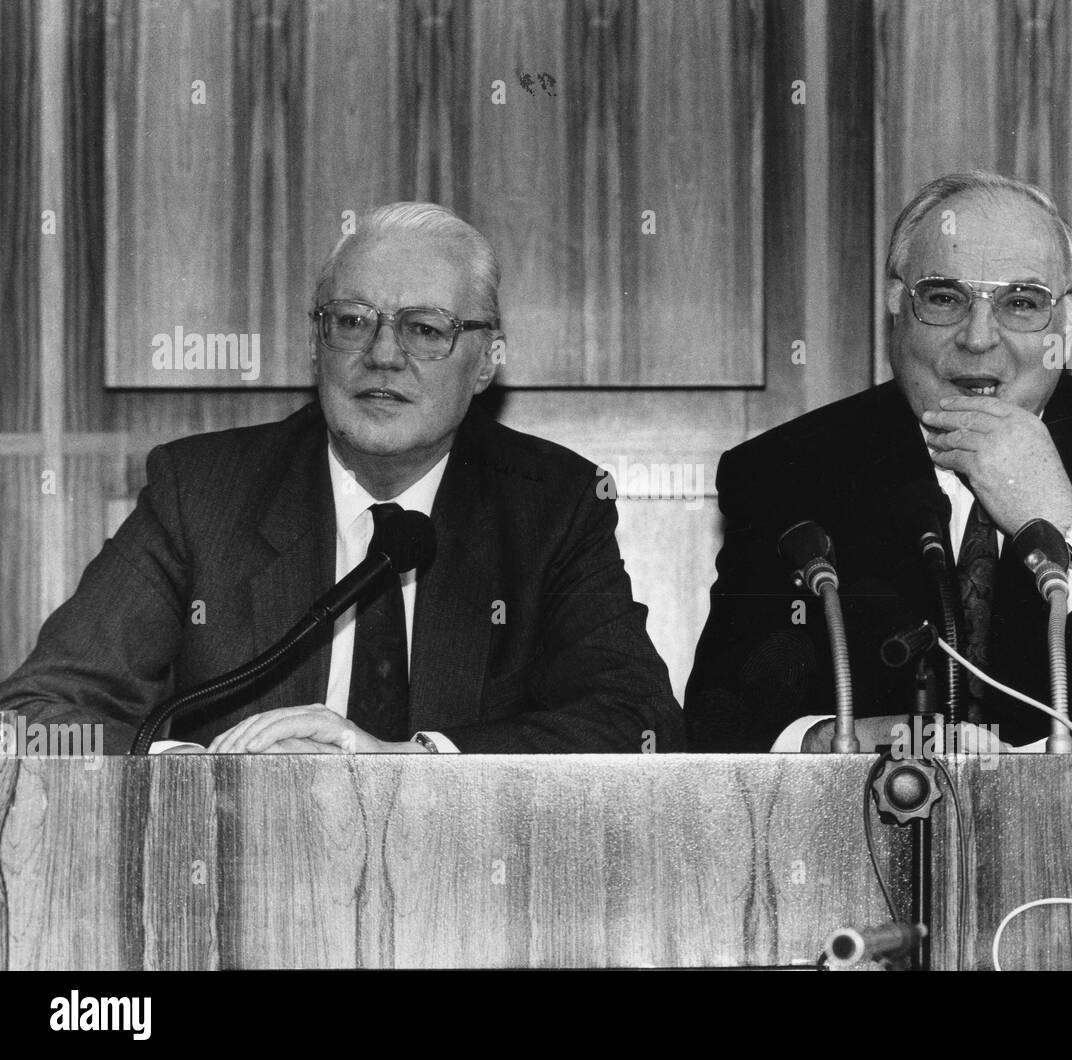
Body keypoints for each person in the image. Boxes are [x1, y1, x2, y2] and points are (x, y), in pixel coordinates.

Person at [0, 203, 682, 755]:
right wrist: (195, 771)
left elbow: (639, 721)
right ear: (316, 343)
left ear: (484, 364)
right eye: (352, 321)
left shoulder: (550, 504)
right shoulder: (201, 490)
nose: (383, 355)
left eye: (425, 329)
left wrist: (410, 758)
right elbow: (38, 715)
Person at [685, 171, 1072, 754]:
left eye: (1021, 303)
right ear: (895, 301)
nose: (977, 337)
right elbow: (720, 718)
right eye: (944, 298)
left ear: (1069, 322)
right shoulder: (784, 473)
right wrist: (833, 741)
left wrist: (1067, 528)